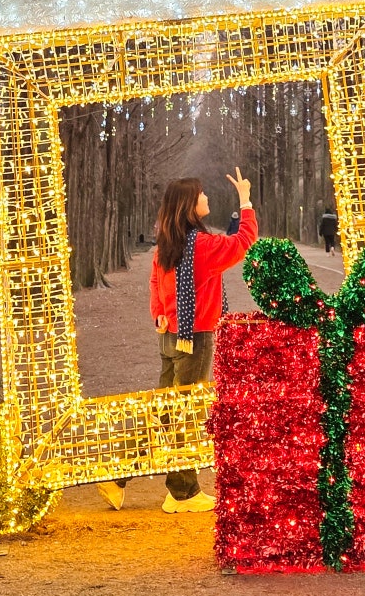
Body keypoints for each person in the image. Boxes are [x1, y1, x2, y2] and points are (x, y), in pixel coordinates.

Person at [97, 168, 256, 514]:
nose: (206, 198)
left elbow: (155, 280)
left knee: (165, 412)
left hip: (170, 336)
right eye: (201, 194)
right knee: (183, 413)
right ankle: (181, 492)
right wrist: (245, 201)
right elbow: (244, 242)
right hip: (194, 338)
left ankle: (117, 476)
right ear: (189, 204)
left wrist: (159, 313)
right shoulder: (201, 247)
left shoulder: (170, 243)